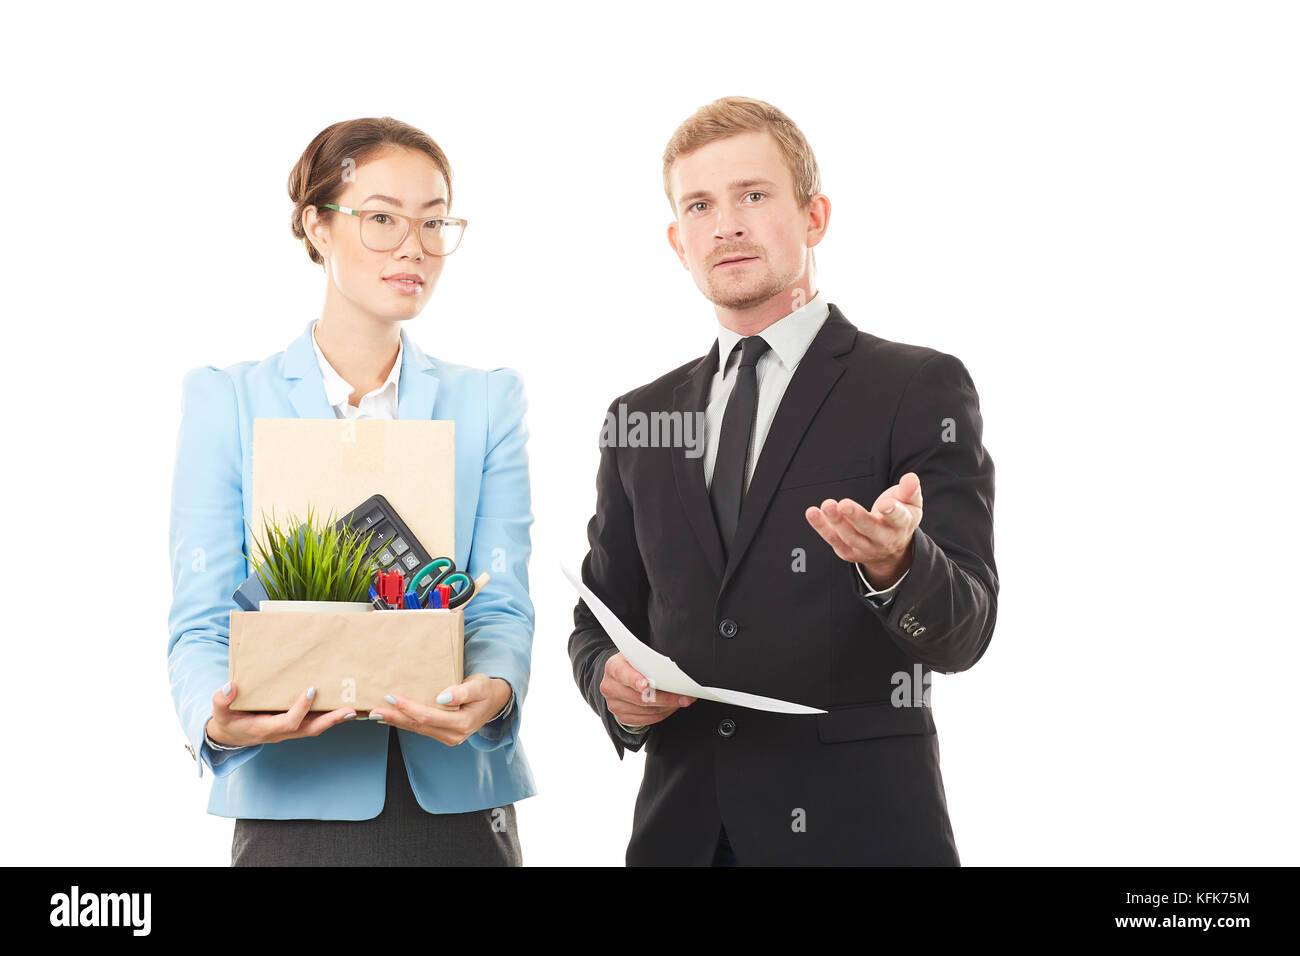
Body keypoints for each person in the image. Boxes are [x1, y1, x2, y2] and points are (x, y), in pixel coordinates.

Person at [567, 96, 999, 866]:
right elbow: (601, 616)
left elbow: (966, 629)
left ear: (814, 216)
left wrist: (895, 563)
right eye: (700, 205)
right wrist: (612, 685)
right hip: (682, 837)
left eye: (753, 195)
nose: (725, 224)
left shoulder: (916, 386)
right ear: (678, 240)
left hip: (860, 837)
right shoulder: (637, 417)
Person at [167, 117, 535, 866]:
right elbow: (202, 614)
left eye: (434, 222)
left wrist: (495, 688)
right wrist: (214, 717)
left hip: (457, 804)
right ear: (317, 226)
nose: (414, 247)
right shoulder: (227, 401)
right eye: (381, 218)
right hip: (293, 797)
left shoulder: (490, 401)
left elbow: (501, 602)